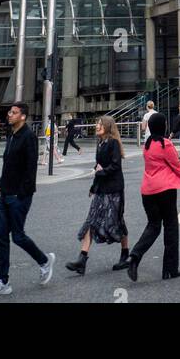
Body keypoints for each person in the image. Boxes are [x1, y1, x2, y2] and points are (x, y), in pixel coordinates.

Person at [0, 102, 54, 297]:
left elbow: (30, 168)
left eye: (14, 113)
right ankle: (2, 281)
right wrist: (1, 183)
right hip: (5, 193)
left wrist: (22, 193)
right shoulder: (12, 135)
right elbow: (9, 164)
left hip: (18, 196)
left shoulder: (28, 137)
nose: (9, 115)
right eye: (10, 112)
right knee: (1, 236)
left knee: (18, 236)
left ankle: (44, 261)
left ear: (23, 116)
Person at [127, 113, 180, 283]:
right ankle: (170, 270)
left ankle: (135, 255)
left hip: (148, 191)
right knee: (171, 228)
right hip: (165, 190)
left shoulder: (147, 145)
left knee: (153, 226)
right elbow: (177, 166)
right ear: (163, 126)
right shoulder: (166, 145)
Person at [66, 115, 130, 276]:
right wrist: (93, 187)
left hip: (114, 189)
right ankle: (82, 260)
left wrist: (101, 172)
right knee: (91, 221)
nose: (97, 126)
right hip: (102, 189)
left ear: (108, 127)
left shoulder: (113, 143)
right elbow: (98, 166)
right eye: (97, 123)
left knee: (117, 221)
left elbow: (115, 166)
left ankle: (125, 254)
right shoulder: (100, 143)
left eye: (100, 124)